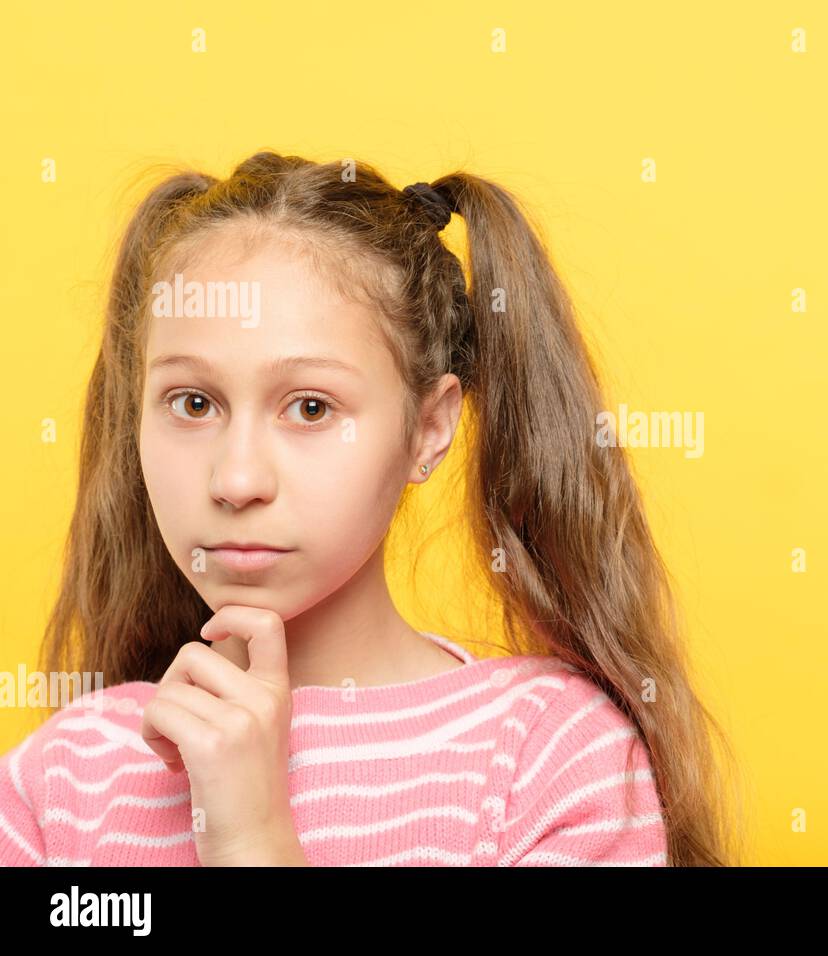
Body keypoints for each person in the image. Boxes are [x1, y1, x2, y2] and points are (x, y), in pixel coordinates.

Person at [0, 152, 740, 866]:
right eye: (193, 403)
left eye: (311, 407)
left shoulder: (547, 759)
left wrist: (254, 843)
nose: (236, 478)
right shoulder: (61, 780)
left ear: (427, 428)